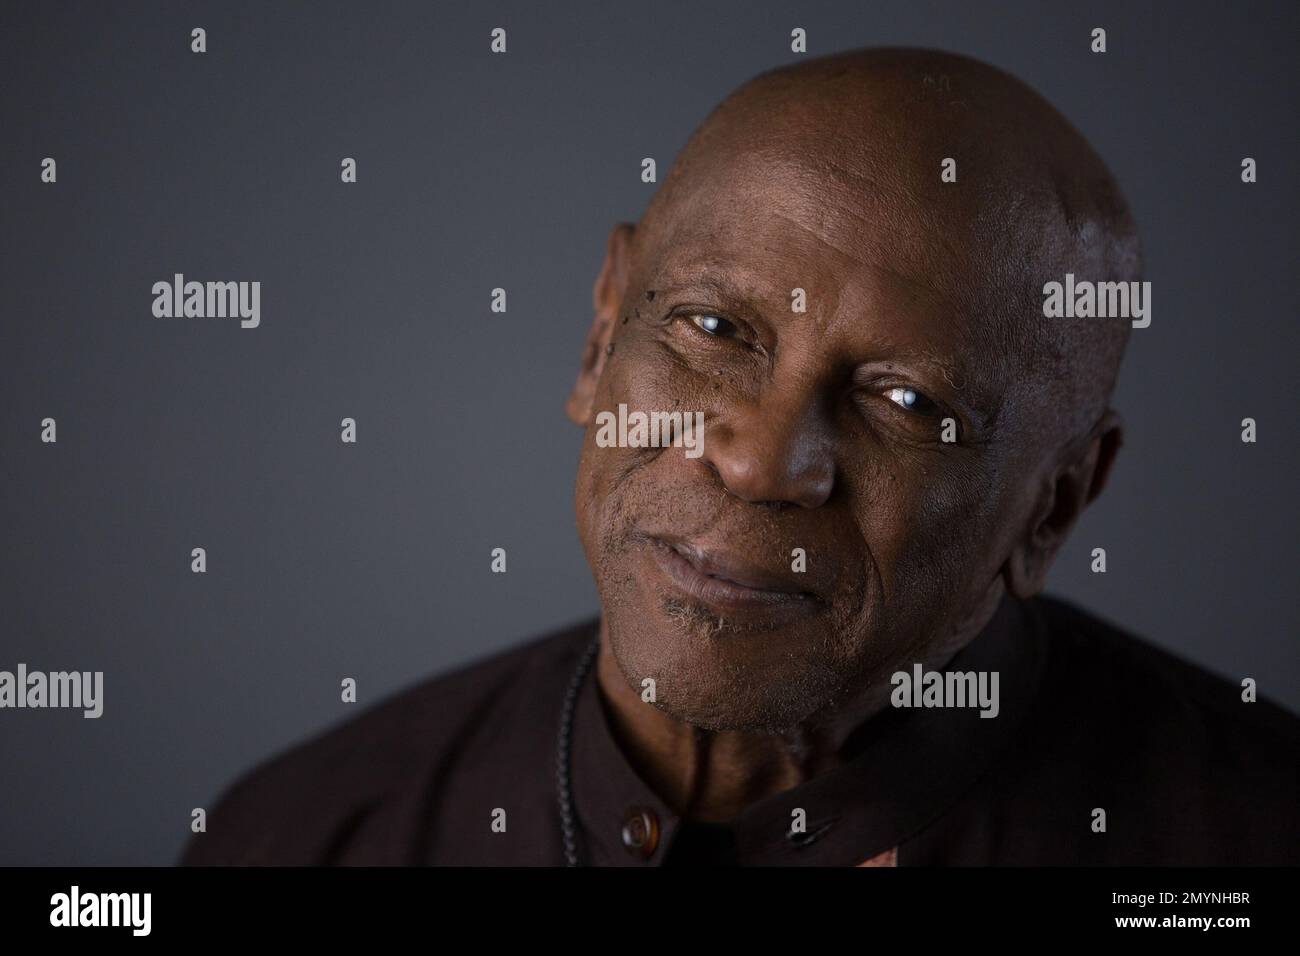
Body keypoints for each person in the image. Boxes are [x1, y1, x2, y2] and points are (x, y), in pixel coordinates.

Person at [181, 47, 1300, 867]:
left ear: (1052, 507)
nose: (762, 460)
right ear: (598, 333)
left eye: (907, 401)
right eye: (716, 331)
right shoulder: (297, 835)